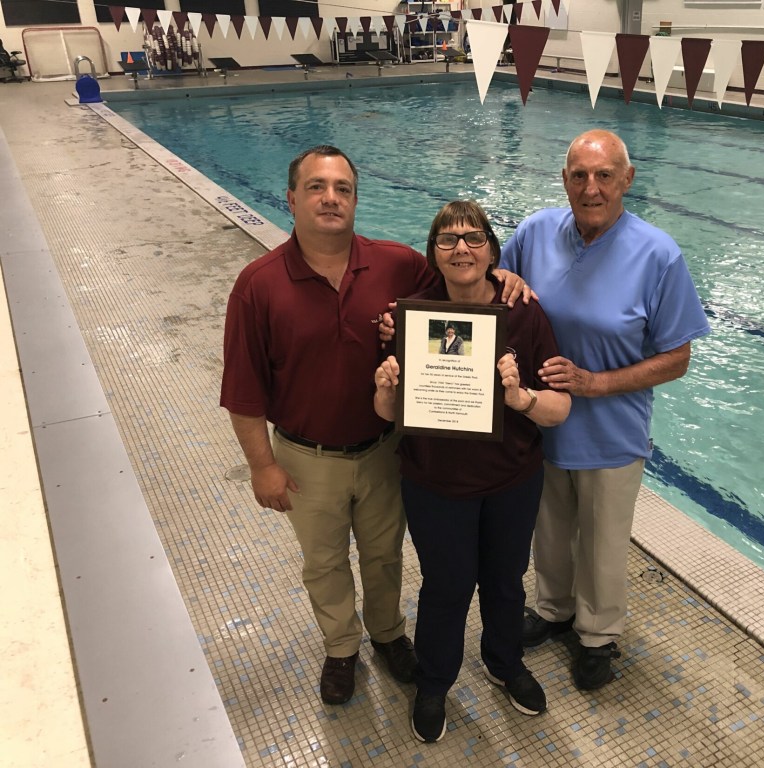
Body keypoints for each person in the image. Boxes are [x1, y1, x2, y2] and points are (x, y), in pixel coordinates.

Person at [220, 146, 527, 707]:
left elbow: (459, 277)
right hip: (305, 457)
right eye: (316, 187)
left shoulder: (396, 265)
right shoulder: (258, 285)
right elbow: (242, 391)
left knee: (384, 553)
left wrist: (502, 273)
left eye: (342, 188)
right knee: (325, 561)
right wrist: (261, 465)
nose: (330, 198)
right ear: (292, 199)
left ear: (357, 199)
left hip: (385, 449)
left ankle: (388, 635)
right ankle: (341, 647)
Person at [500, 129, 711, 691]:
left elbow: (677, 358)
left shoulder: (658, 254)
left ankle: (597, 635)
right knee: (549, 530)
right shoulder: (535, 233)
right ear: (564, 180)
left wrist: (596, 383)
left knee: (603, 542)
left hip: (611, 431)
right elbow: (494, 290)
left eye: (604, 176)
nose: (591, 188)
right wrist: (501, 277)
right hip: (542, 423)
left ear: (627, 180)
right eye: (578, 176)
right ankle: (553, 609)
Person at [374, 200, 570, 743]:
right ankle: (435, 681)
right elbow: (388, 411)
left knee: (506, 582)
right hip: (435, 484)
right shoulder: (410, 317)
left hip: (511, 480)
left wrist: (520, 397)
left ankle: (504, 663)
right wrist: (383, 387)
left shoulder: (525, 313)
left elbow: (560, 408)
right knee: (446, 586)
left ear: (492, 250)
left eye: (474, 237)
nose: (462, 247)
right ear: (433, 253)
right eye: (448, 238)